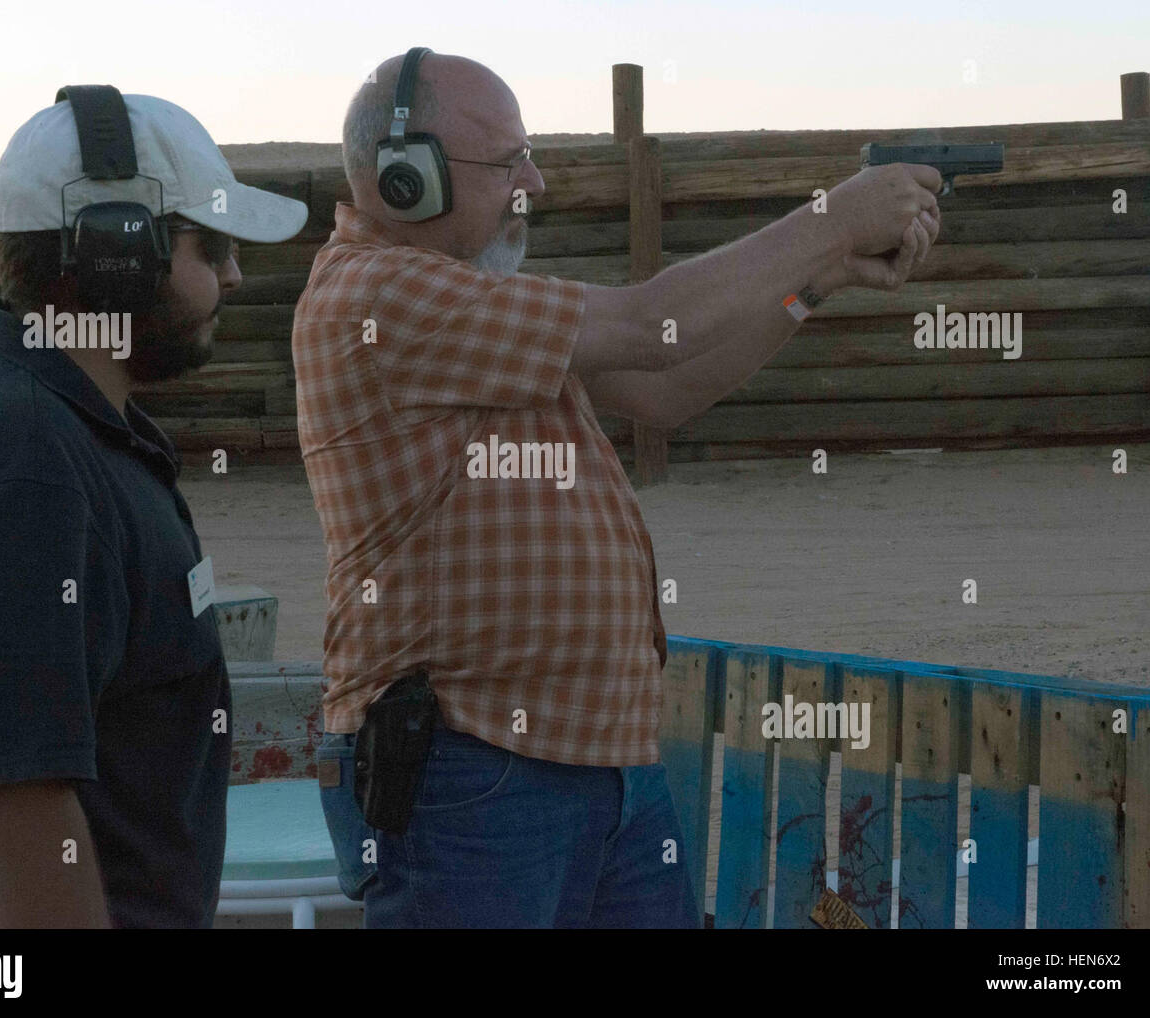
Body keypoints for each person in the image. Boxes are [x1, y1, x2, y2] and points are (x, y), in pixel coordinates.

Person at [298, 48, 940, 929]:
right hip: (469, 766)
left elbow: (664, 390)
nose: (536, 180)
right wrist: (832, 220)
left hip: (590, 757)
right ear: (406, 180)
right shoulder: (383, 295)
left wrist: (813, 284)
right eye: (506, 162)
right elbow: (655, 326)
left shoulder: (475, 301)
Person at [0, 87, 307, 928]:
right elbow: (11, 801)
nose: (234, 273)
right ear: (118, 252)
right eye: (209, 245)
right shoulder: (15, 456)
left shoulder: (59, 419)